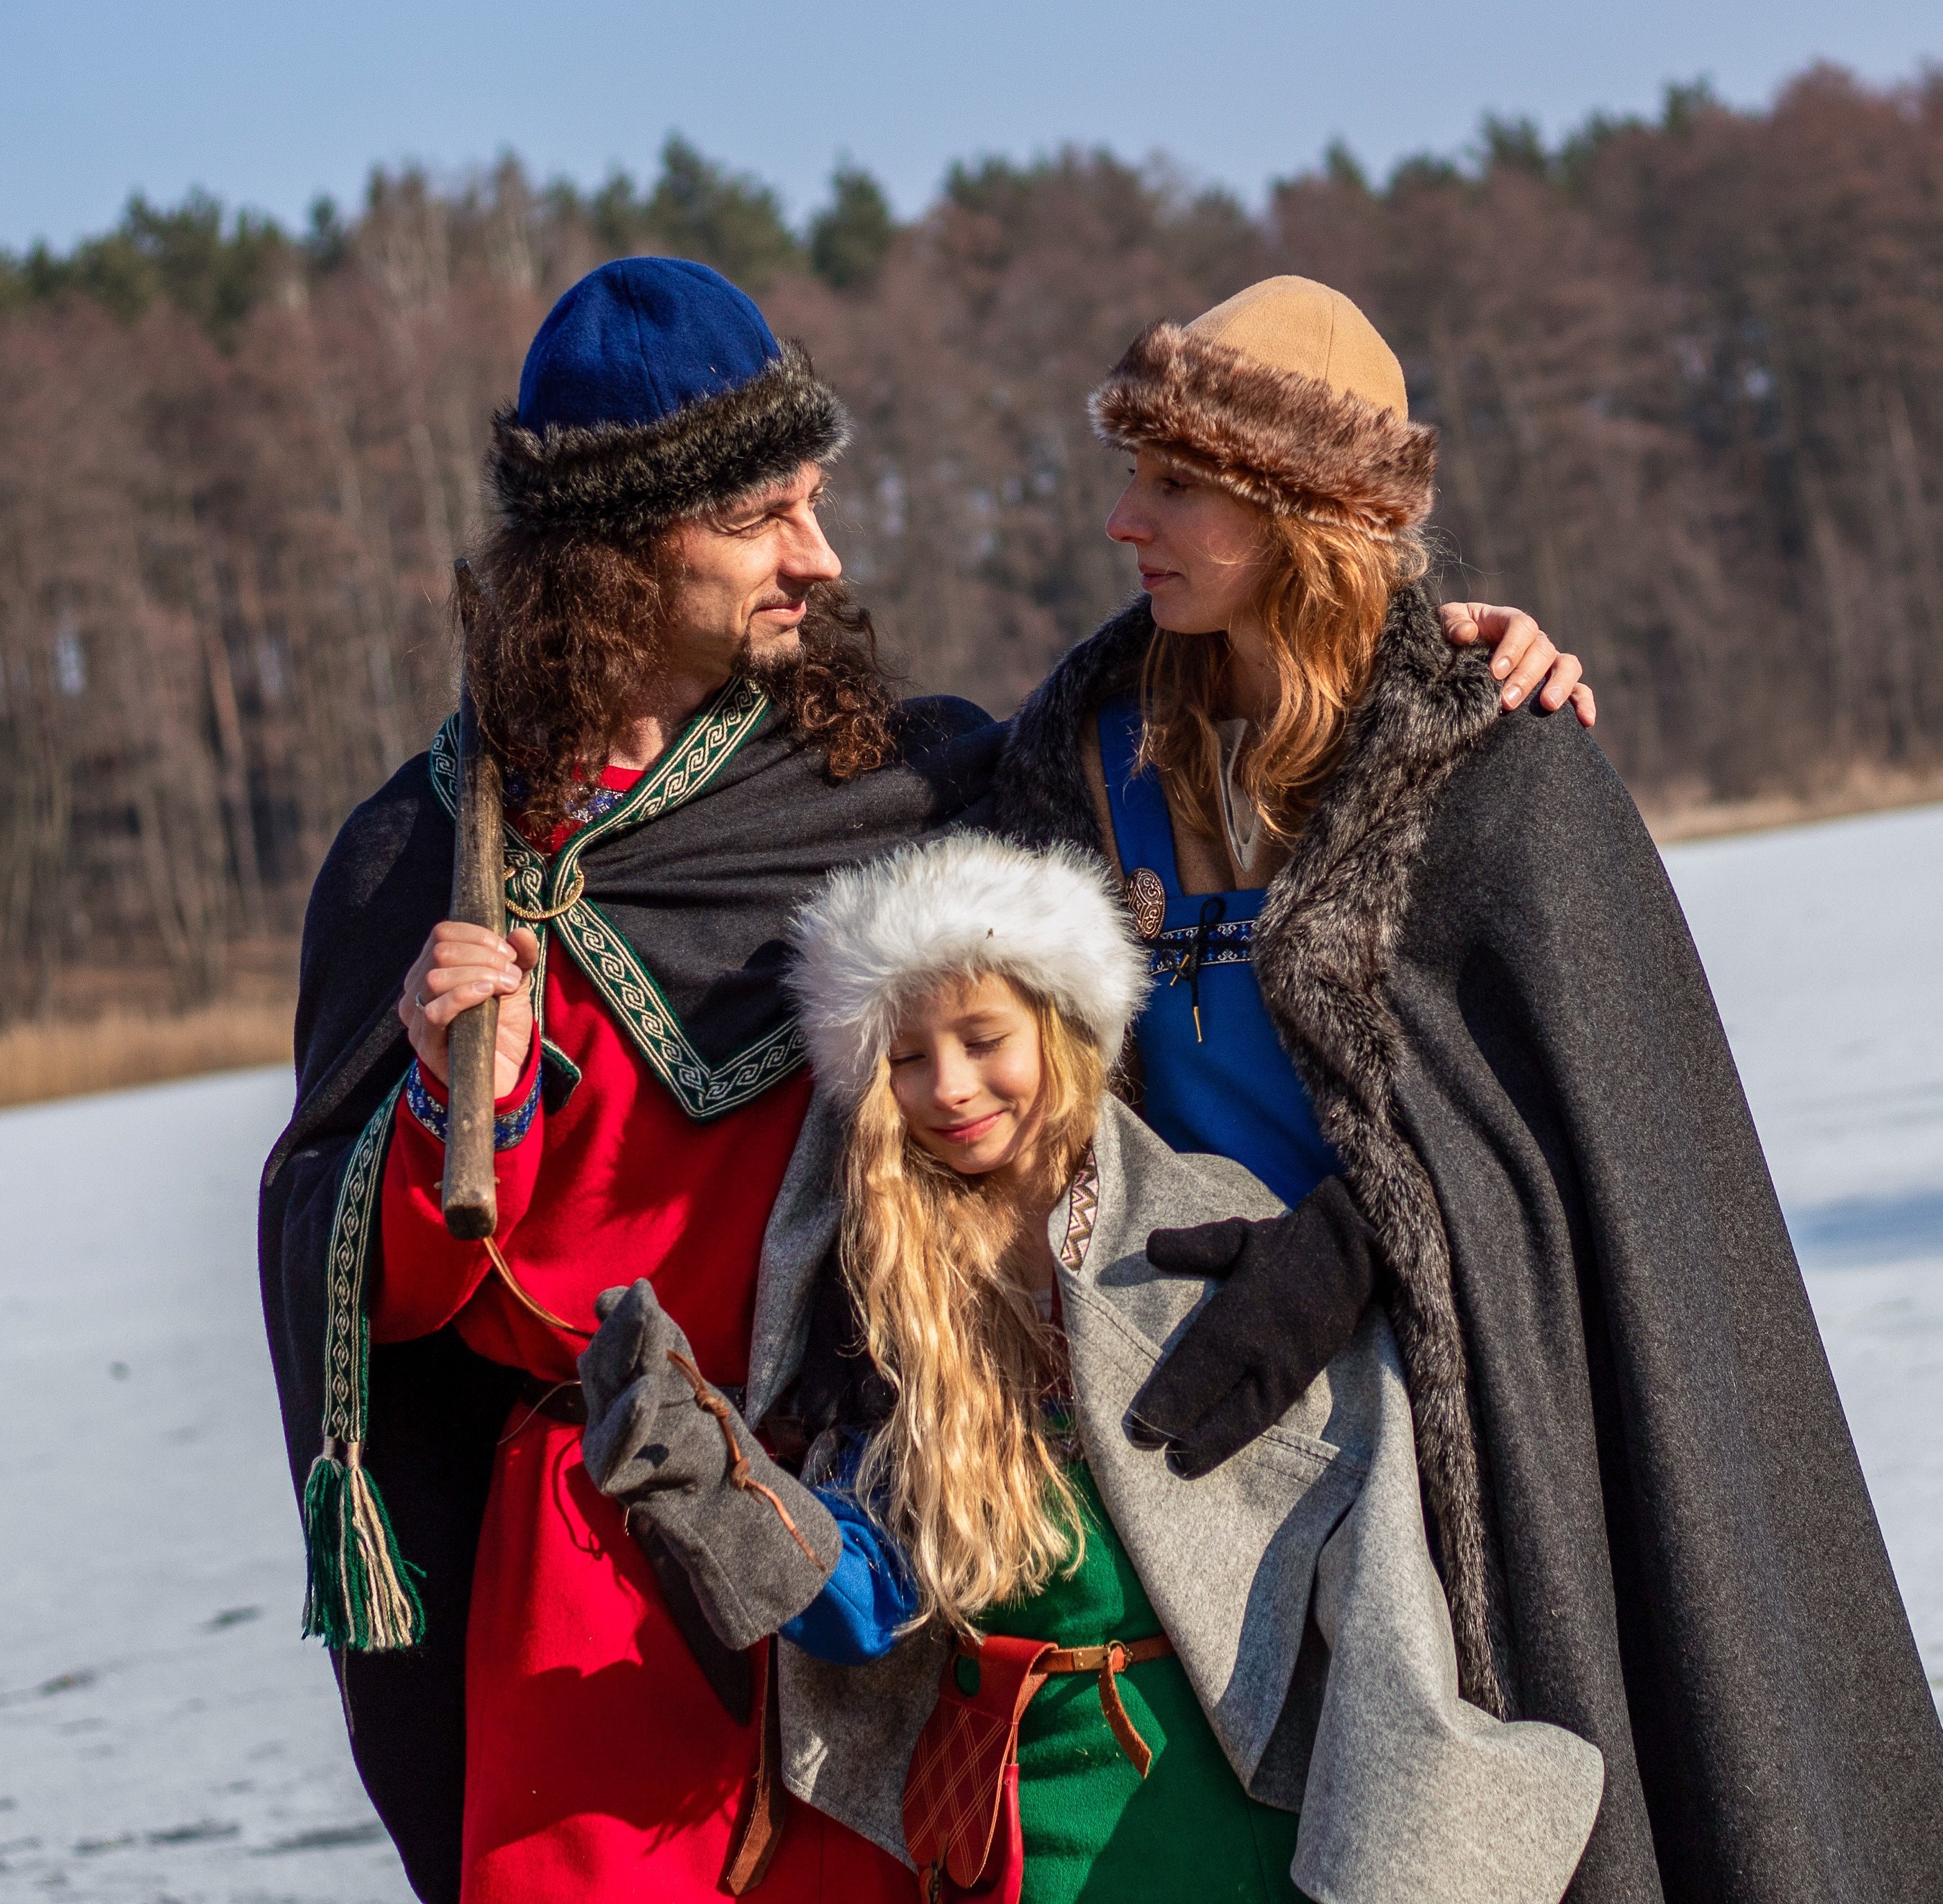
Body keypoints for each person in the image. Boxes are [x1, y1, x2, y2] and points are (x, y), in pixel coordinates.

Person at [257, 255, 1596, 1904]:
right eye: (764, 518)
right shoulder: (418, 856)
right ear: (623, 544)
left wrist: (1423, 657)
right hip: (611, 1576)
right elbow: (376, 1310)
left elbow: (1183, 718)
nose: (817, 557)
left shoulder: (897, 783)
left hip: (888, 1511)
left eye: (814, 502)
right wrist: (471, 1094)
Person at [985, 274, 1943, 1900]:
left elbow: (1605, 1166)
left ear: (1301, 512)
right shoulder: (1078, 758)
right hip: (1208, 1435)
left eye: (1174, 484)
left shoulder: (1499, 757)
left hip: (1485, 1426)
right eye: (1133, 472)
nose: (1124, 519)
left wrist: (1372, 1235)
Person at [579, 833, 1605, 1904]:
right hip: (1010, 1829)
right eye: (908, 1057)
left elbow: (1366, 1552)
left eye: (983, 1039)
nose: (951, 1087)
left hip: (1220, 1800)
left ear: (1060, 1031)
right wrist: (716, 1492)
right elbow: (871, 1606)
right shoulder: (894, 1302)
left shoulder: (1205, 1236)